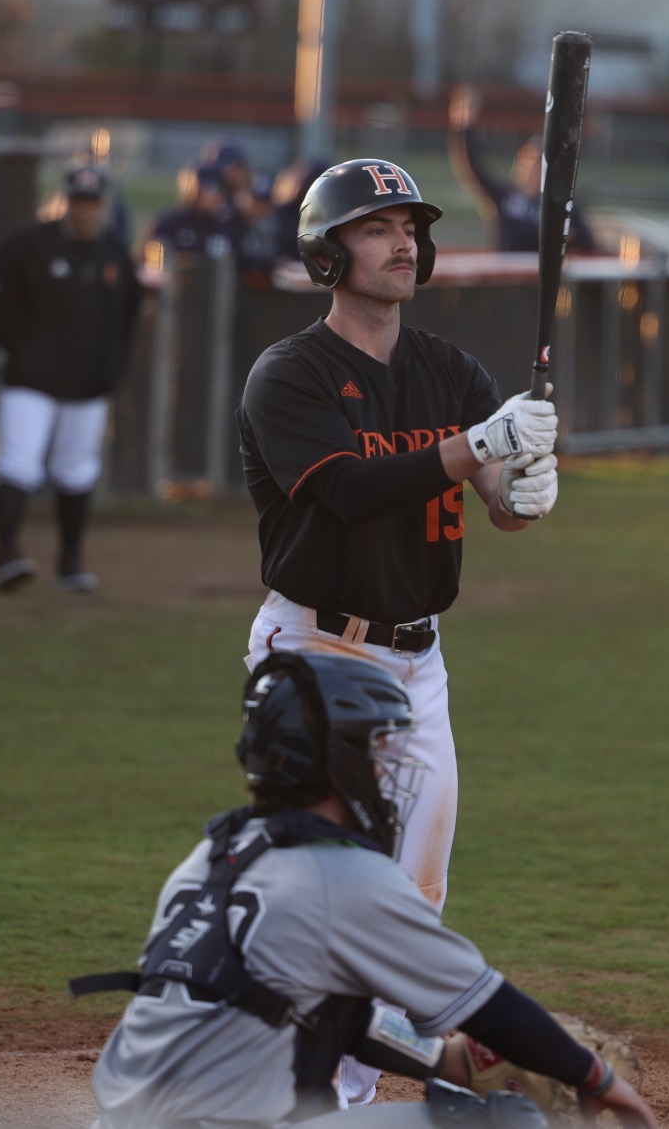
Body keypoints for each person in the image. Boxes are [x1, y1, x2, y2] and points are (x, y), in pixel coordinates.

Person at [237, 157, 560, 1106]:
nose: (404, 242)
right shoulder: (288, 375)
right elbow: (349, 490)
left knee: (415, 896)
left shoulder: (447, 369)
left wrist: (525, 489)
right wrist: (479, 449)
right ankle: (299, 1090)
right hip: (313, 656)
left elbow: (493, 494)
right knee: (334, 889)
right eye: (379, 227)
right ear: (329, 253)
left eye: (412, 226)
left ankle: (347, 1085)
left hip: (417, 662)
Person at [79, 651, 659, 1129]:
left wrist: (445, 1060)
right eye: (377, 751)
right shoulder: (344, 876)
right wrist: (600, 1082)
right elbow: (491, 1008)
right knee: (510, 1125)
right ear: (337, 762)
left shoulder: (215, 853)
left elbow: (313, 1013)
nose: (388, 773)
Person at [0, 164, 143, 593]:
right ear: (65, 200)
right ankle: (6, 555)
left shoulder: (113, 252)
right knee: (19, 461)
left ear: (104, 204)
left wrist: (112, 366)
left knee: (76, 470)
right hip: (30, 379)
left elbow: (128, 314)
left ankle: (70, 561)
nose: (84, 210)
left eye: (91, 202)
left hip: (87, 383)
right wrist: (19, 351)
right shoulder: (30, 244)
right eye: (77, 201)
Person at [448, 85, 597, 255]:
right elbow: (473, 168)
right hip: (506, 274)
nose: (532, 166)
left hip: (541, 277)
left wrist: (569, 238)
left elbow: (589, 244)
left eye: (539, 161)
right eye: (528, 159)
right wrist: (464, 126)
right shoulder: (505, 197)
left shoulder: (559, 206)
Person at [147, 163, 243, 262]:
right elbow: (145, 266)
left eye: (221, 189)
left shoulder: (229, 229)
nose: (217, 196)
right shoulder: (168, 226)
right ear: (192, 189)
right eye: (209, 189)